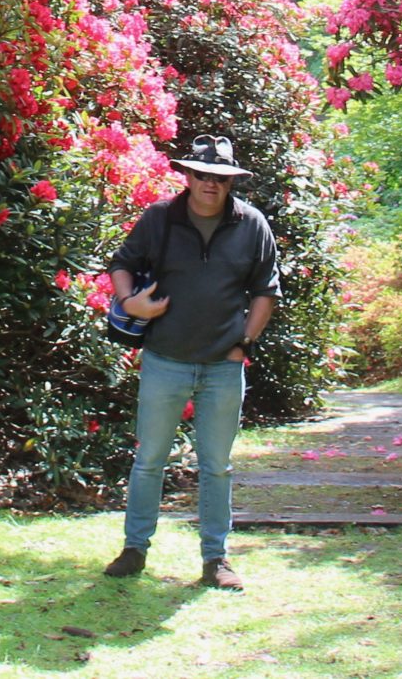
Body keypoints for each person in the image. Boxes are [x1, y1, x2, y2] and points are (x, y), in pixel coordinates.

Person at [102, 133, 279, 591]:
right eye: (202, 174)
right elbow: (121, 263)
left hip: (223, 366)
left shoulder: (252, 224)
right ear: (188, 175)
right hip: (165, 360)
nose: (210, 184)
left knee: (216, 466)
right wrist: (129, 303)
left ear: (231, 182)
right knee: (150, 461)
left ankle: (216, 559)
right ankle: (134, 549)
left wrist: (246, 342)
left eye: (220, 177)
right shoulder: (160, 218)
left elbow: (266, 290)